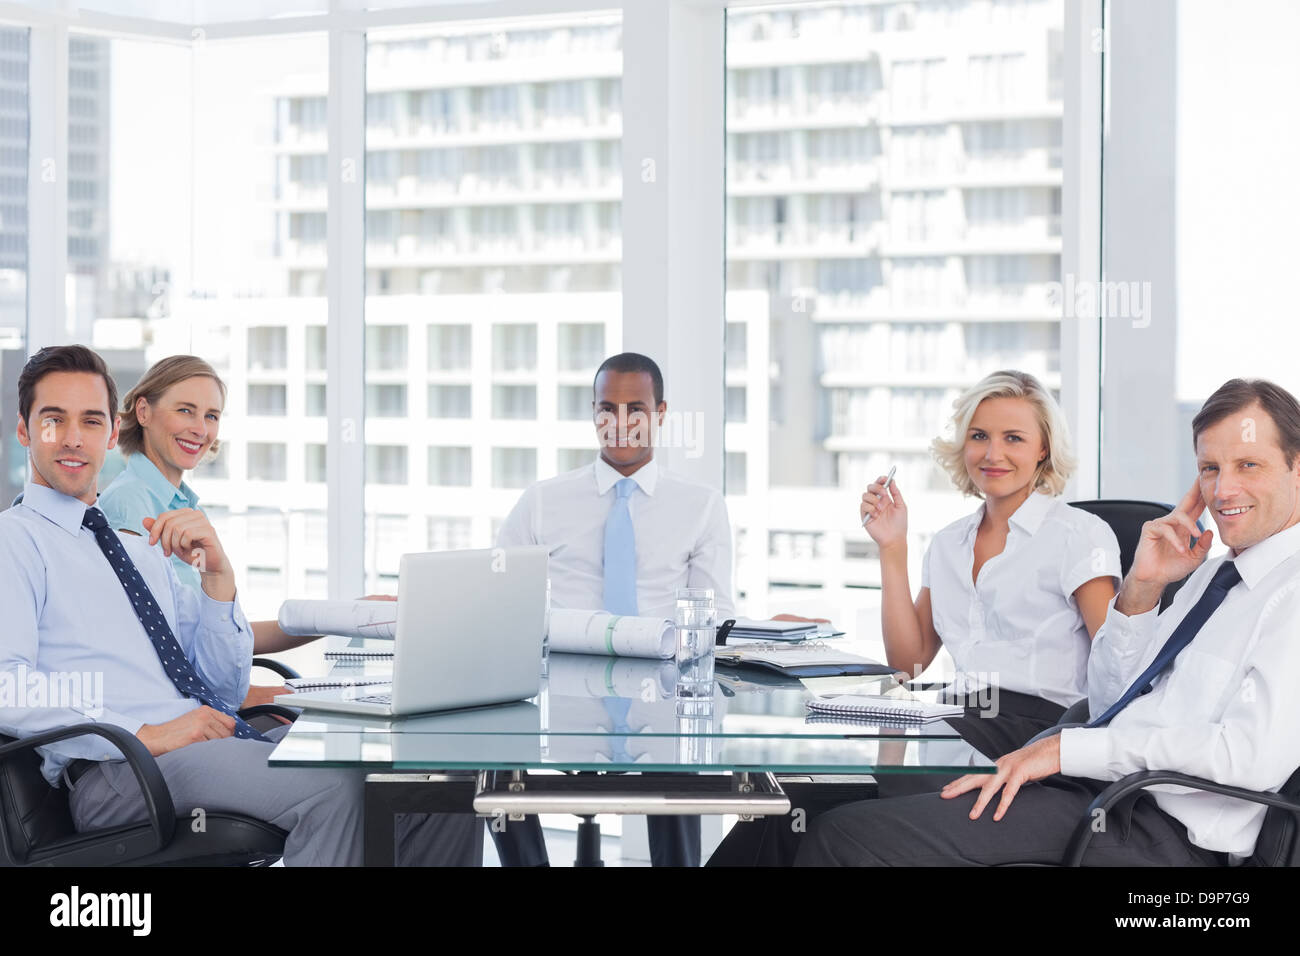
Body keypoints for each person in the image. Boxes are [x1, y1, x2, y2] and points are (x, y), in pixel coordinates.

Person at [0, 345, 476, 866]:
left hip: (197, 747)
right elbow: (8, 684)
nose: (72, 438)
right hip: (118, 770)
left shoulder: (137, 547)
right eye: (52, 421)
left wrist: (219, 581)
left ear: (111, 434)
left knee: (434, 784)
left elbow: (220, 685)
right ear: (24, 430)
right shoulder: (15, 541)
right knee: (334, 788)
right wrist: (146, 733)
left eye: (89, 421)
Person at [796, 377, 1300, 866]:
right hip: (1099, 791)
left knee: (845, 836)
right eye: (1209, 468)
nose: (1222, 488)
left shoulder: (1290, 593)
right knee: (800, 806)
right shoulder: (1211, 577)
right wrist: (1142, 590)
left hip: (1163, 831)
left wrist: (1069, 750)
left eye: (1248, 465)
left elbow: (1246, 757)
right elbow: (1109, 701)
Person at [708, 369, 1121, 865]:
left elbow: (1117, 668)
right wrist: (892, 546)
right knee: (779, 808)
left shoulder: (1079, 535)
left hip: (1033, 750)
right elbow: (911, 660)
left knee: (838, 831)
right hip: (954, 734)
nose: (993, 454)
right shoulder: (949, 543)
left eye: (1014, 438)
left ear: (1043, 450)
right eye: (979, 436)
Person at [491, 352, 734, 867]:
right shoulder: (543, 501)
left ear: (660, 414)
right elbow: (499, 602)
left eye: (636, 409)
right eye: (608, 408)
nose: (620, 423)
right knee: (493, 760)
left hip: (663, 693)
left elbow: (715, 617)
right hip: (563, 691)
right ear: (594, 413)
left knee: (678, 760)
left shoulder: (701, 505)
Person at [96, 355, 324, 709]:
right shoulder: (130, 505)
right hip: (183, 708)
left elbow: (214, 631)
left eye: (211, 416)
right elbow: (163, 647)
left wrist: (338, 620)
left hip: (213, 693)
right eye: (185, 410)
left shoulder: (182, 508)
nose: (200, 429)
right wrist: (259, 697)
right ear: (143, 412)